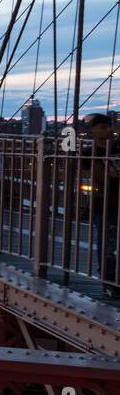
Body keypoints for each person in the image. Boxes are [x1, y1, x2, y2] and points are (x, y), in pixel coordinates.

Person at [86, 114, 120, 297]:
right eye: (102, 127)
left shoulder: (117, 146)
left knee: (111, 243)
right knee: (108, 244)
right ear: (94, 130)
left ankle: (113, 280)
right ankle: (109, 281)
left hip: (113, 201)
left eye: (108, 127)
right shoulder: (90, 152)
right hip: (106, 203)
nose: (107, 130)